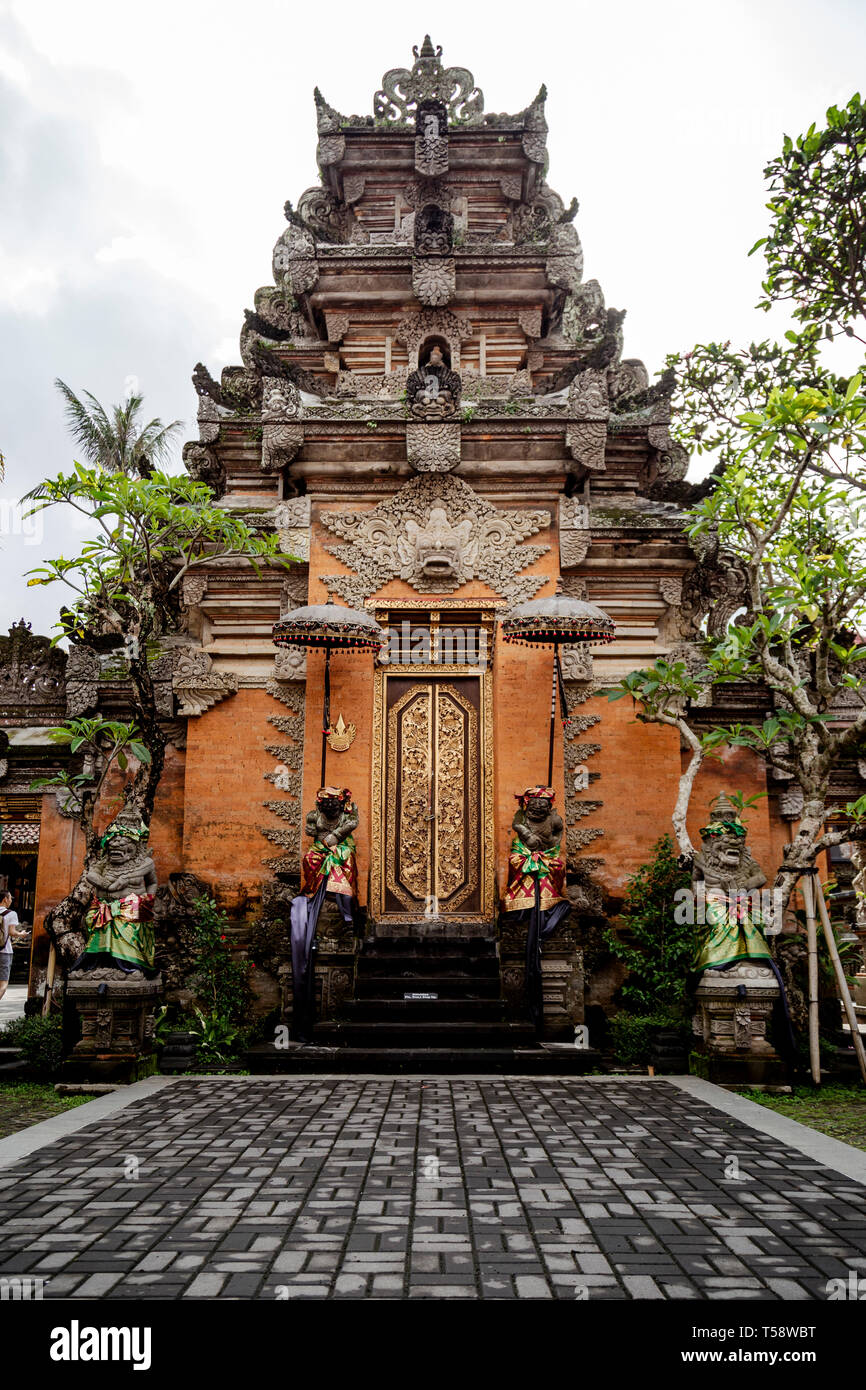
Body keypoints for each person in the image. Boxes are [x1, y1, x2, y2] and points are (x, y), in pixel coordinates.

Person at [0, 892, 29, 1001]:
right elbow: (12, 932)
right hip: (4, 952)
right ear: (5, 899)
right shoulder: (11, 914)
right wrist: (21, 934)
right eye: (10, 898)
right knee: (3, 984)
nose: (11, 900)